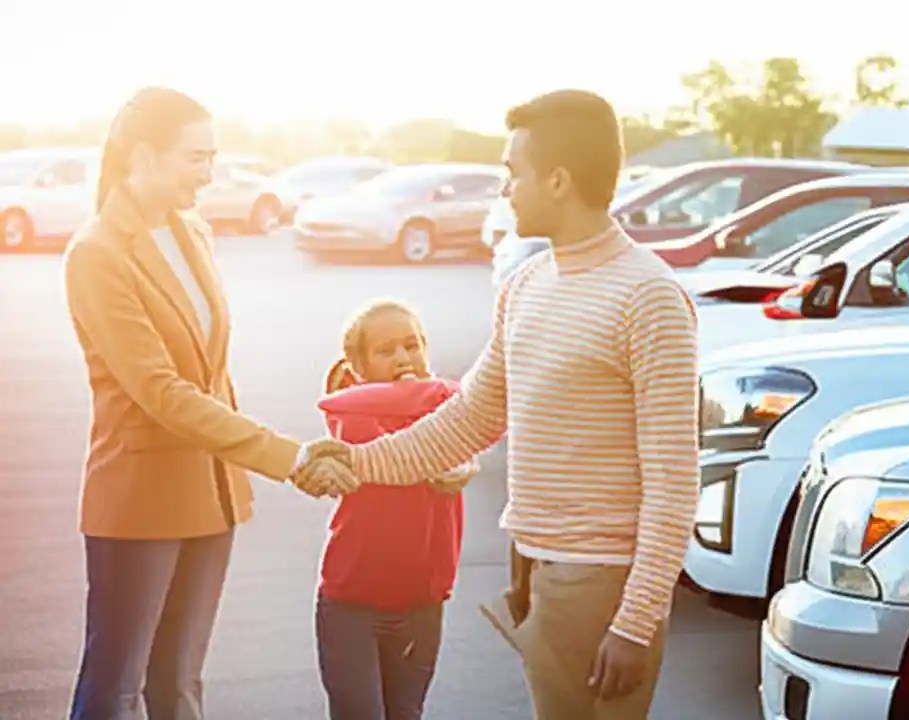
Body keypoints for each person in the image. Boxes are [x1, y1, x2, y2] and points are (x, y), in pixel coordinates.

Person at [313, 89, 701, 719]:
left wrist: (637, 619)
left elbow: (673, 478)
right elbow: (467, 419)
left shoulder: (648, 297)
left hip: (600, 581)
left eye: (511, 172)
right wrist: (353, 461)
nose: (503, 189)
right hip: (536, 571)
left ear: (557, 179)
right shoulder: (526, 284)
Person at [62, 86, 354, 720]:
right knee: (115, 691)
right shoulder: (96, 253)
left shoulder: (192, 231)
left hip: (211, 492)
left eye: (212, 156)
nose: (209, 172)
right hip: (138, 501)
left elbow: (212, 370)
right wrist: (289, 456)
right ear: (143, 155)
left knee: (180, 687)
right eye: (195, 157)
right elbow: (162, 392)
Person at [313, 299, 478, 719]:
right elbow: (405, 451)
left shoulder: (447, 408)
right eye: (386, 351)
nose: (404, 358)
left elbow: (463, 440)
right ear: (358, 367)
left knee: (406, 713)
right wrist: (455, 437)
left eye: (412, 345)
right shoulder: (349, 414)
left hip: (422, 605)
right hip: (353, 609)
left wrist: (466, 456)